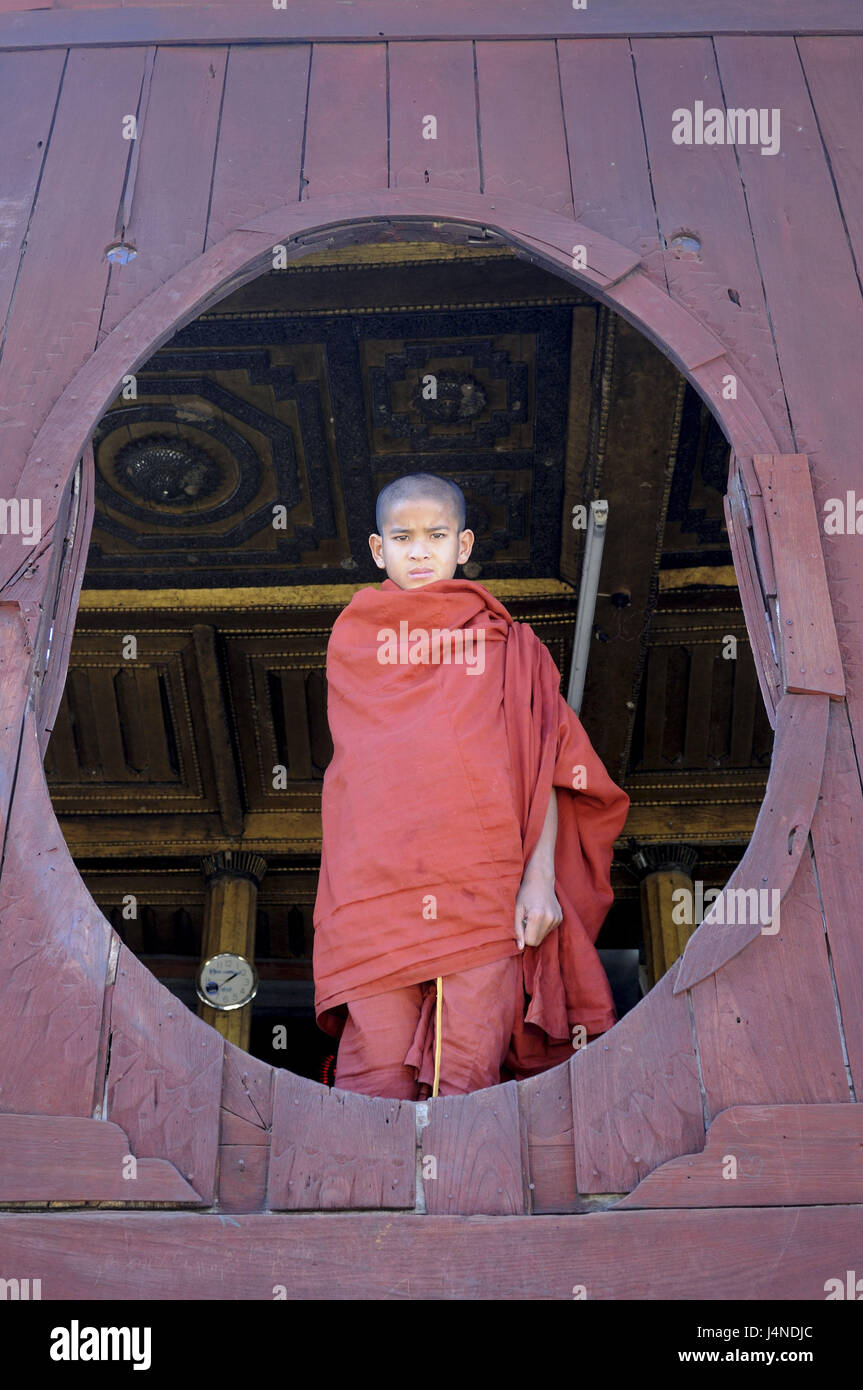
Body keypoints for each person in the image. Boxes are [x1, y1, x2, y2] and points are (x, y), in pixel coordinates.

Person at [312, 472, 629, 1099]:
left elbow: (549, 768)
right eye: (403, 537)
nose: (421, 550)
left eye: (437, 535)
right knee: (372, 1080)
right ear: (379, 551)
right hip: (371, 887)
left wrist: (538, 881)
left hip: (483, 886)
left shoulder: (508, 642)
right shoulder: (354, 636)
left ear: (464, 544)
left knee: (468, 1079)